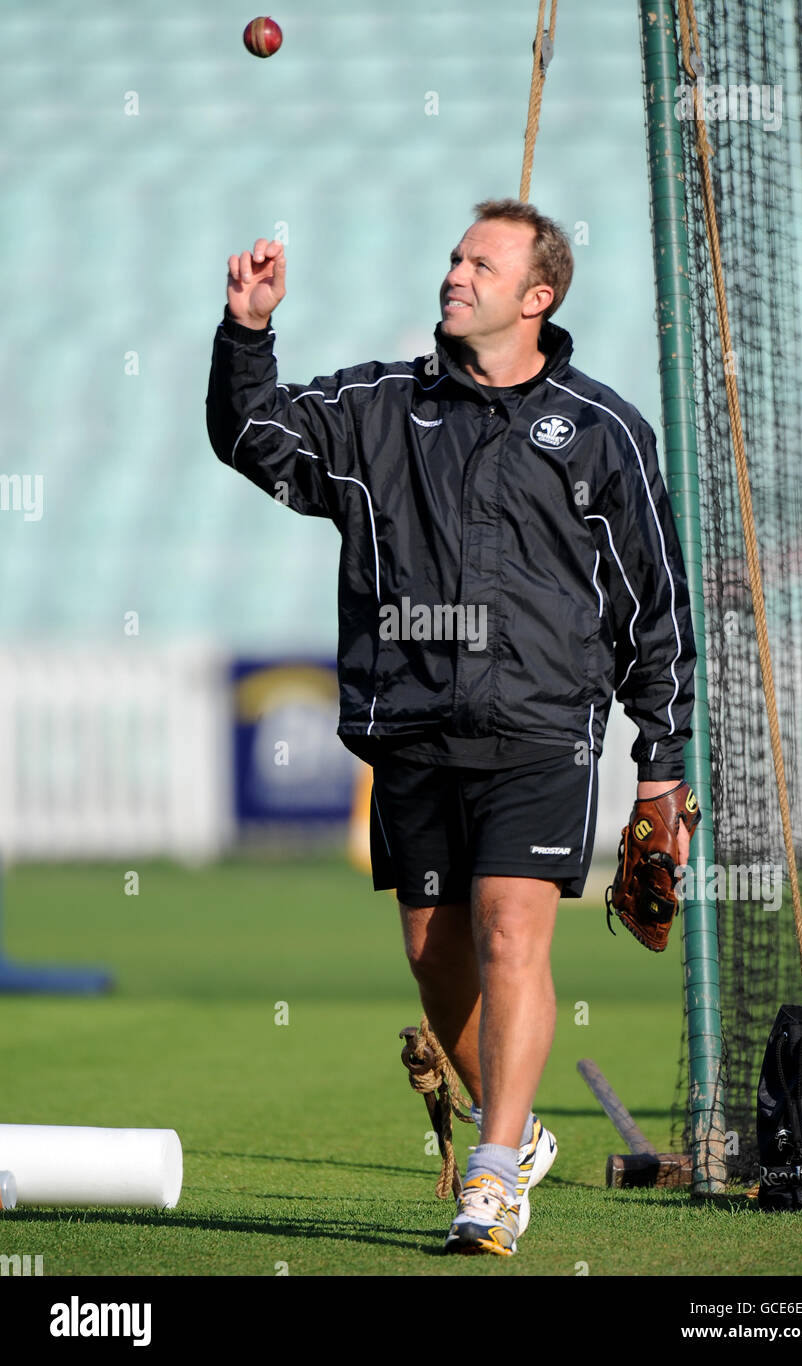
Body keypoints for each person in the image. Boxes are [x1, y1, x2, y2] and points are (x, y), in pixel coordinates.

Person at [206, 199, 697, 1257]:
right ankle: (508, 1133)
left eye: (481, 261)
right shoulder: (378, 407)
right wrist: (248, 330)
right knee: (438, 958)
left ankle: (490, 1178)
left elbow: (651, 603)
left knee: (510, 930)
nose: (454, 272)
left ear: (537, 296)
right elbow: (251, 438)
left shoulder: (600, 430)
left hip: (540, 727)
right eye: (452, 256)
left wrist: (660, 767)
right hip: (410, 728)